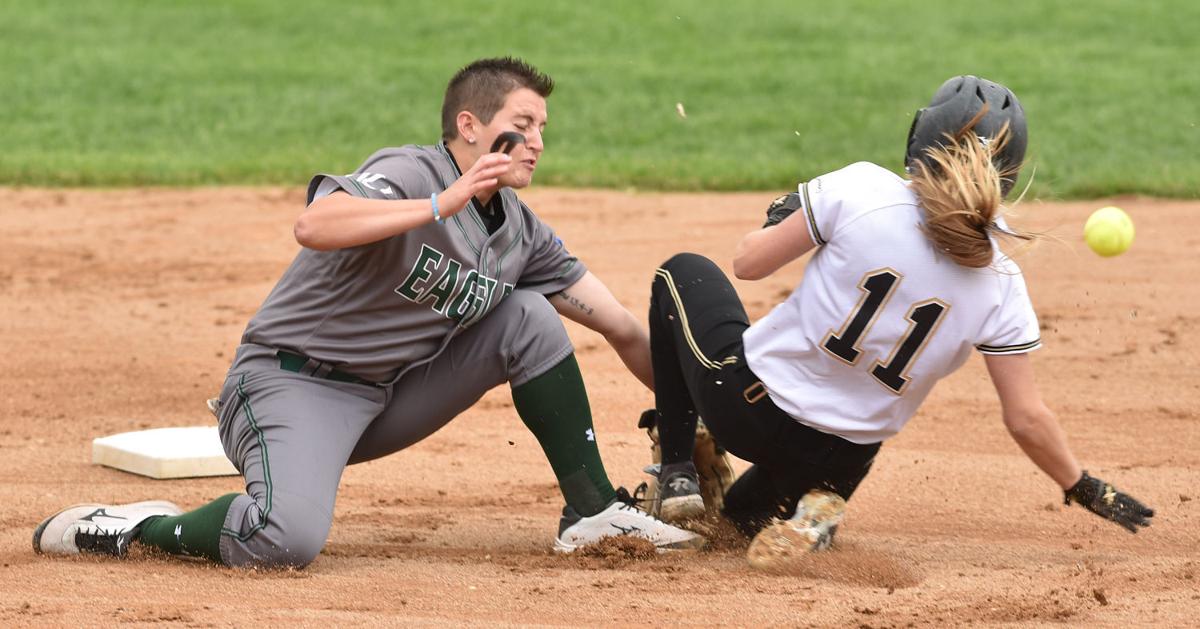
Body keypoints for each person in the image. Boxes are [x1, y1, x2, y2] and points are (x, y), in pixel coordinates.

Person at [33, 57, 703, 567]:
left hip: (385, 397)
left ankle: (591, 510)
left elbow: (619, 325)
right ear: (468, 126)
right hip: (287, 385)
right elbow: (315, 223)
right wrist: (443, 203)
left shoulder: (522, 234)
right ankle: (132, 528)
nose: (536, 142)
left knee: (529, 316)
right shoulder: (411, 175)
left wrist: (700, 417)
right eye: (521, 125)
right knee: (284, 538)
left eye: (542, 130)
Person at [638, 76, 1153, 567]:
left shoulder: (863, 189)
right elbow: (1026, 417)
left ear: (922, 138)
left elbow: (747, 265)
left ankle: (678, 475)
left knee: (682, 272)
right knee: (746, 523)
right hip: (837, 461)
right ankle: (812, 514)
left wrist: (782, 217)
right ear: (1008, 172)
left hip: (751, 409)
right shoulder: (1003, 279)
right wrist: (1080, 484)